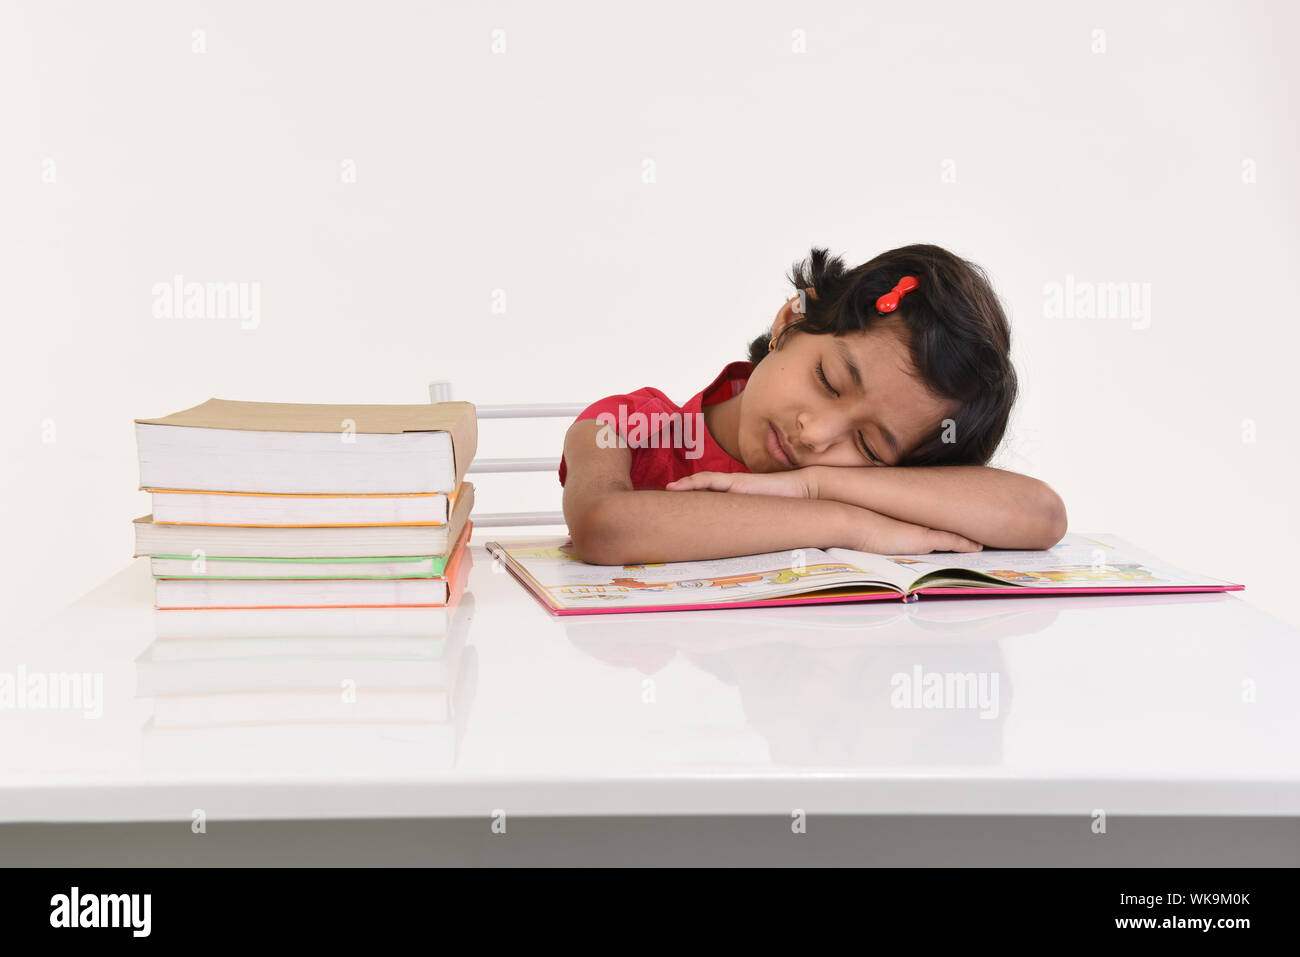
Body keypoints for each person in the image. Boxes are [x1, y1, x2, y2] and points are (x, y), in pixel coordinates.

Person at [558, 244, 1067, 565]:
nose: (817, 435)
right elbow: (605, 528)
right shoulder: (633, 426)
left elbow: (1041, 516)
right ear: (789, 322)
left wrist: (816, 485)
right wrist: (845, 524)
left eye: (868, 443)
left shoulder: (858, 481)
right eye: (828, 380)